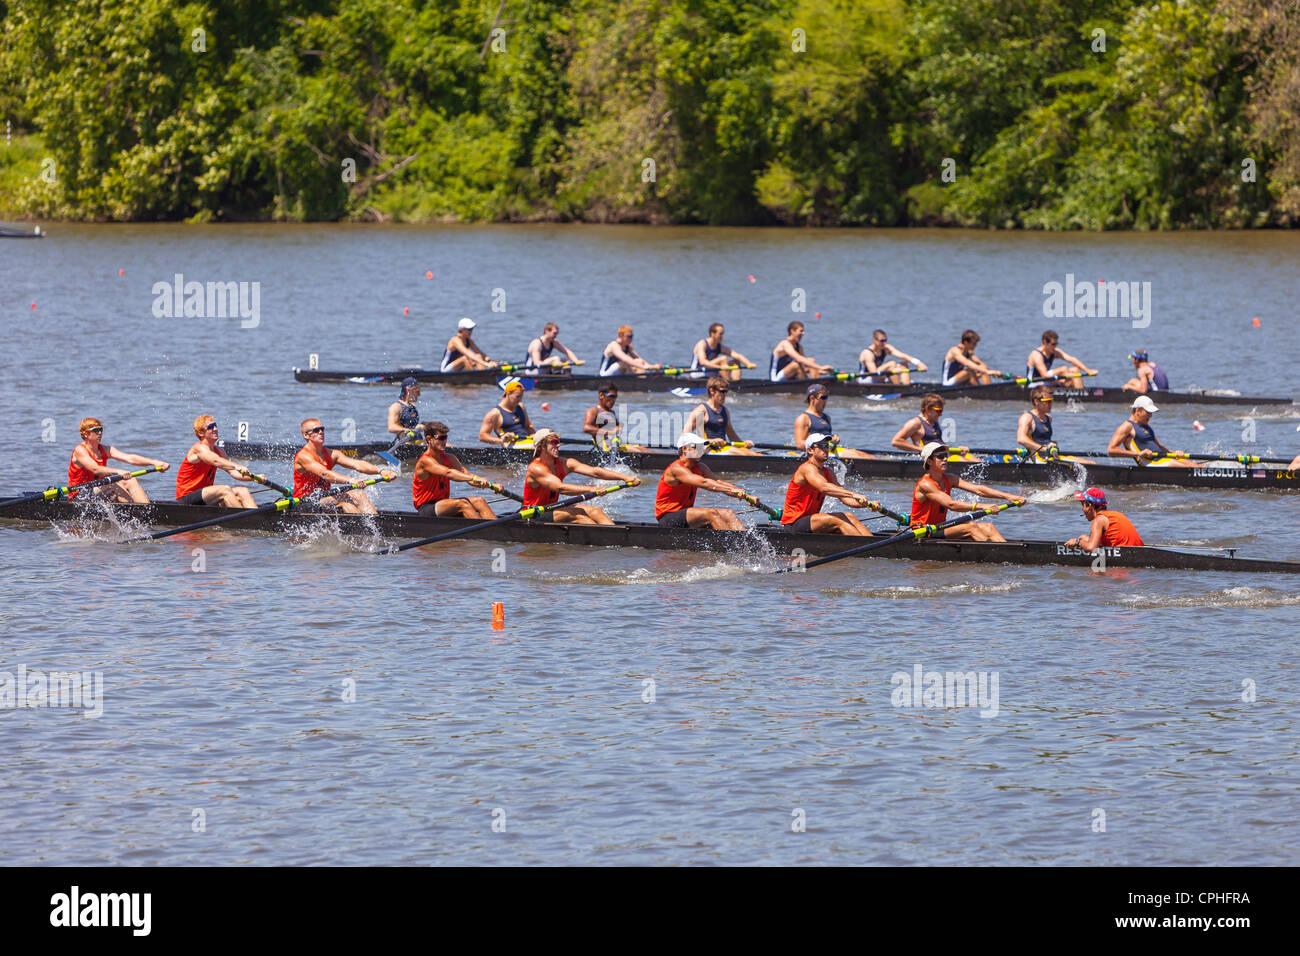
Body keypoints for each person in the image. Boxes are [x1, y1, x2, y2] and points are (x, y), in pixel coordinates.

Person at [910, 441, 1025, 542]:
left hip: (940, 527)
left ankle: (1010, 553)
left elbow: (978, 490)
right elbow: (951, 504)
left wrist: (1009, 496)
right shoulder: (925, 484)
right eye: (940, 456)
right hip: (923, 532)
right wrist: (983, 506)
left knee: (988, 527)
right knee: (971, 527)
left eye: (945, 455)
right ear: (929, 461)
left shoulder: (950, 478)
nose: (945, 459)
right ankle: (994, 553)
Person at [522, 428, 640, 524]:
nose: (558, 445)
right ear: (542, 446)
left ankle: (617, 536)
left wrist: (625, 477)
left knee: (595, 511)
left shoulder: (564, 463)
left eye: (558, 442)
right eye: (554, 442)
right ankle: (603, 538)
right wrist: (592, 489)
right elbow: (560, 488)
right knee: (577, 514)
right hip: (534, 514)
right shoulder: (536, 468)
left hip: (552, 509)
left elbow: (595, 472)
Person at [293, 418, 396, 514]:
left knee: (352, 501)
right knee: (354, 496)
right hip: (305, 501)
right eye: (316, 430)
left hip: (324, 498)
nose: (321, 432)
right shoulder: (303, 456)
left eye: (322, 429)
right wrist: (351, 480)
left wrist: (381, 471)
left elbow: (358, 464)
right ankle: (366, 524)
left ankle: (375, 523)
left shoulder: (332, 454)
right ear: (306, 435)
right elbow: (325, 474)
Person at [781, 434, 873, 535]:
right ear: (810, 450)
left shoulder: (828, 472)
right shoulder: (806, 469)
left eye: (827, 445)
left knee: (850, 516)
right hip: (794, 524)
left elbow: (844, 498)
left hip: (811, 522)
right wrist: (853, 494)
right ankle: (862, 544)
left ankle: (871, 543)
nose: (825, 449)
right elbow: (824, 487)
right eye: (821, 446)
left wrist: (868, 504)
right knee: (839, 518)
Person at [654, 433, 748, 530]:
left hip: (687, 516)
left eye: (701, 447)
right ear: (685, 449)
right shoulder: (676, 469)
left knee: (729, 513)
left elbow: (718, 483)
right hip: (668, 518)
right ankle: (729, 540)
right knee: (711, 513)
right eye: (697, 447)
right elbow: (704, 483)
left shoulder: (700, 467)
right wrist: (732, 490)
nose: (701, 450)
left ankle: (745, 539)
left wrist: (747, 496)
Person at [67, 417, 169, 503]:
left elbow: (130, 458)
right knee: (112, 483)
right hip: (80, 494)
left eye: (101, 429)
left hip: (98, 490)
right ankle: (133, 510)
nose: (100, 433)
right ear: (85, 434)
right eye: (96, 430)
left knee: (130, 480)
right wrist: (119, 472)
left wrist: (154, 462)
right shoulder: (80, 450)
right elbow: (96, 469)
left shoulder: (105, 450)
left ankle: (145, 509)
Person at [411, 421, 495, 519]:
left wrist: (491, 485)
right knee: (463, 504)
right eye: (440, 438)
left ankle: (496, 527)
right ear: (429, 439)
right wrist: (475, 478)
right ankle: (483, 528)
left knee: (480, 501)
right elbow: (448, 472)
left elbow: (469, 477)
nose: (444, 441)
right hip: (427, 508)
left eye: (445, 437)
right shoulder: (425, 461)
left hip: (443, 504)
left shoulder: (450, 458)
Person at [174, 415, 257, 507]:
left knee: (242, 491)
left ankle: (257, 515)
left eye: (215, 425)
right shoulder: (198, 448)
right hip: (186, 498)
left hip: (205, 497)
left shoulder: (220, 451)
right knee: (225, 490)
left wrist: (254, 477)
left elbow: (234, 472)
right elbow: (215, 460)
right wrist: (236, 466)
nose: (215, 429)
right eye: (210, 427)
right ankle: (244, 515)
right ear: (201, 433)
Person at [1013, 387, 1096, 464]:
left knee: (1090, 463)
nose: (1050, 404)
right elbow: (1021, 439)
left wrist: (1052, 444)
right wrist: (1044, 448)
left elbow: (1043, 439)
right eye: (1047, 401)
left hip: (1050, 457)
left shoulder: (1048, 418)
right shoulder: (1027, 417)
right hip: (1037, 459)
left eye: (1051, 401)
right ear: (1036, 401)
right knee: (1089, 463)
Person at [1107, 396, 1195, 467]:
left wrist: (1174, 453)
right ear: (1138, 410)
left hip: (1162, 459)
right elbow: (1111, 450)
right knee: (1188, 467)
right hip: (1150, 464)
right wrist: (1138, 454)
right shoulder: (1127, 426)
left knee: (1197, 466)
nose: (1151, 415)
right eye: (1148, 412)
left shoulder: (1147, 425)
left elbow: (1159, 446)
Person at [685, 377, 760, 455]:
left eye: (726, 392)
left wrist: (744, 444)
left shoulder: (725, 411)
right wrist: (711, 441)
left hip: (722, 449)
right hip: (708, 450)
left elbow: (732, 436)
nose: (725, 395)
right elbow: (685, 436)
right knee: (752, 455)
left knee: (755, 454)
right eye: (722, 391)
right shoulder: (701, 411)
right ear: (712, 391)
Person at [794, 384, 872, 459]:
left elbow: (828, 438)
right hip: (817, 453)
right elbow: (800, 444)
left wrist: (834, 439)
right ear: (812, 398)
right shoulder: (803, 418)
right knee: (865, 458)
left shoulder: (827, 417)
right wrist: (823, 443)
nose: (826, 401)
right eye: (823, 397)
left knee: (870, 457)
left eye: (827, 397)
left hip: (830, 450)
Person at [1064, 487, 1144, 549]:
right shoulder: (1115, 514)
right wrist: (1088, 539)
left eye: (1083, 505)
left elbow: (1091, 548)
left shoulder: (1099, 520)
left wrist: (1078, 542)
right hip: (1139, 552)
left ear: (1089, 505)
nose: (1082, 509)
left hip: (1127, 557)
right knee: (1084, 537)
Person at [890, 393, 967, 455]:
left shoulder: (933, 421)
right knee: (964, 461)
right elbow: (896, 441)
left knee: (971, 458)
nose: (940, 414)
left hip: (943, 455)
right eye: (938, 411)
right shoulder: (915, 423)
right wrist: (921, 449)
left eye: (941, 411)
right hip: (931, 459)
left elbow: (939, 443)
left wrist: (958, 450)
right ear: (927, 409)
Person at [581, 386, 650, 453]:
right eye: (611, 396)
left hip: (616, 443)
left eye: (615, 397)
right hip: (605, 446)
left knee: (644, 449)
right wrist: (609, 432)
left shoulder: (612, 412)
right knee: (642, 451)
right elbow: (586, 428)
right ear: (601, 395)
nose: (613, 400)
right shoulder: (593, 411)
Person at [478, 377, 535, 447]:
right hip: (511, 445)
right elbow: (482, 436)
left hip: (528, 442)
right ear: (508, 393)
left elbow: (528, 427)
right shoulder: (494, 414)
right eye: (517, 397)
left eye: (521, 397)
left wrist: (535, 435)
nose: (520, 400)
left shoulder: (521, 406)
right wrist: (501, 440)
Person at [859, 329, 927, 384]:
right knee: (891, 367)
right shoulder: (868, 353)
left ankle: (906, 388)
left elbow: (903, 356)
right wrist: (888, 365)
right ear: (874, 340)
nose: (884, 343)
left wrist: (919, 363)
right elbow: (873, 374)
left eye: (885, 340)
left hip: (880, 375)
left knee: (903, 365)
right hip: (867, 379)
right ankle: (897, 389)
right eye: (882, 341)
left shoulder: (886, 348)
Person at [1025, 330, 1097, 382]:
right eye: (1053, 344)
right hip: (1035, 383)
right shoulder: (1036, 355)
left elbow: (1071, 359)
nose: (1055, 347)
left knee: (1075, 370)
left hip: (1047, 381)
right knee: (1064, 369)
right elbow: (1044, 375)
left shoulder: (1054, 351)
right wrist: (1061, 370)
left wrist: (1088, 371)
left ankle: (1080, 393)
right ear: (1045, 342)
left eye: (1056, 344)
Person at [690, 323, 755, 381]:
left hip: (711, 370)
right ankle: (726, 383)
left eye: (723, 334)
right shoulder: (702, 344)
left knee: (736, 362)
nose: (722, 336)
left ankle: (736, 385)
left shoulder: (719, 346)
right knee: (723, 359)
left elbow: (737, 355)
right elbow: (702, 362)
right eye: (720, 334)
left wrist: (748, 364)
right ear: (712, 334)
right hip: (698, 372)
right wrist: (720, 367)